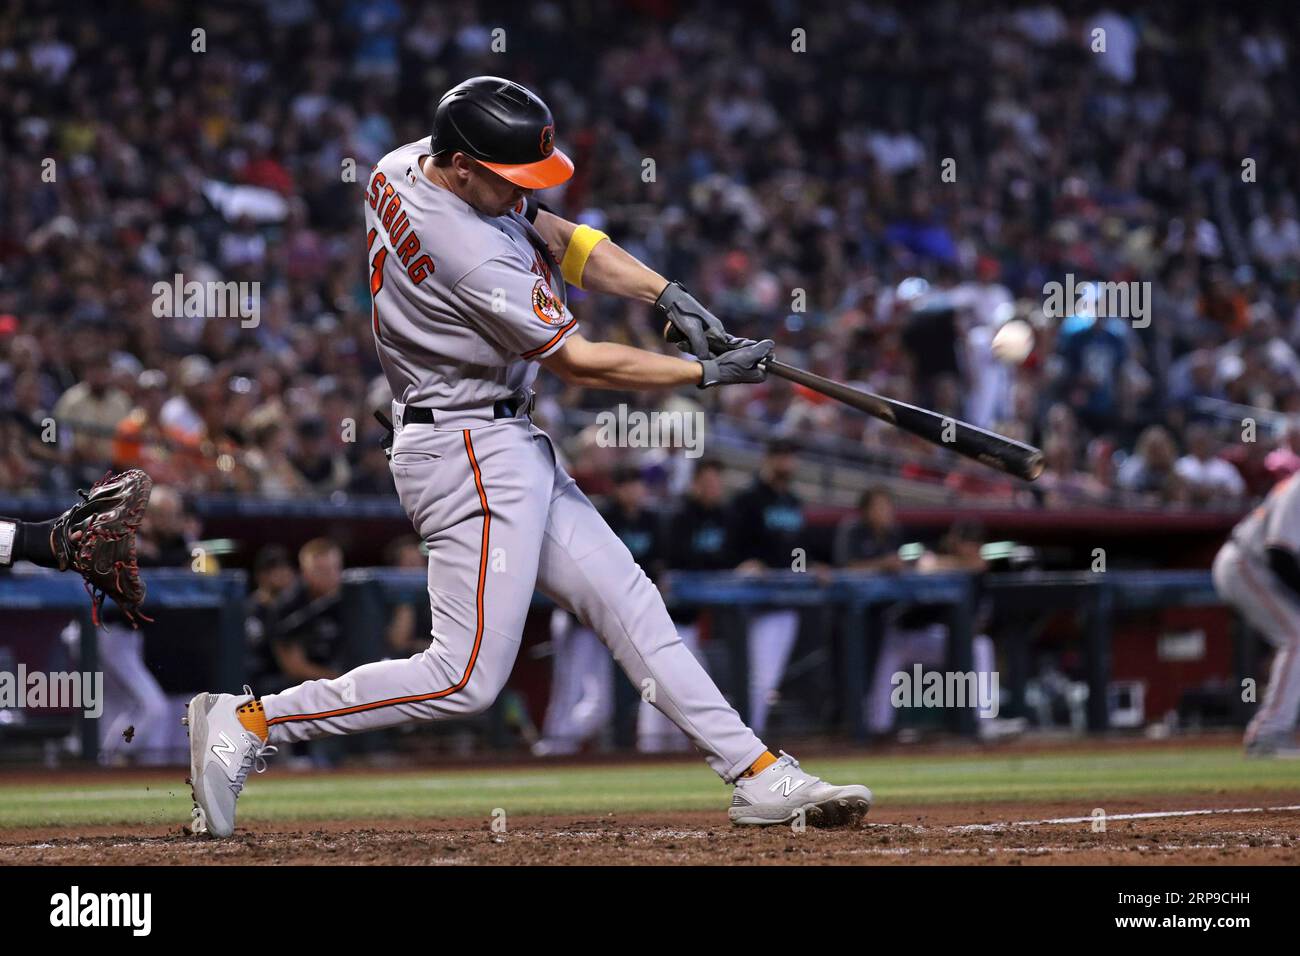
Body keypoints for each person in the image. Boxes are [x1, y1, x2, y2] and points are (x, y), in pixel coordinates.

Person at [184, 76, 871, 837]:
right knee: (465, 678)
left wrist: (666, 294)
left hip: (494, 436)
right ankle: (249, 721)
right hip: (467, 447)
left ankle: (757, 773)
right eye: (507, 180)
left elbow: (556, 232)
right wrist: (705, 374)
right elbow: (580, 362)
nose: (521, 195)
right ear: (463, 166)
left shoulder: (403, 163)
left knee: (631, 604)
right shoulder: (469, 251)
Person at [1212, 474, 1300, 757]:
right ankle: (1268, 734)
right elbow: (1280, 553)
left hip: (1261, 568)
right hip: (1246, 563)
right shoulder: (1298, 487)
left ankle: (1275, 728)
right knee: (1296, 637)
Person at [728, 438, 808, 736]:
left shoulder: (793, 501)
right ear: (769, 458)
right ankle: (745, 743)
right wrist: (746, 563)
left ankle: (750, 740)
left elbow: (798, 548)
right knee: (749, 679)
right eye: (782, 455)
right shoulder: (748, 499)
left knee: (764, 680)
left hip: (783, 600)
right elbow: (733, 547)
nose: (787, 463)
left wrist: (809, 567)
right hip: (748, 600)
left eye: (791, 456)